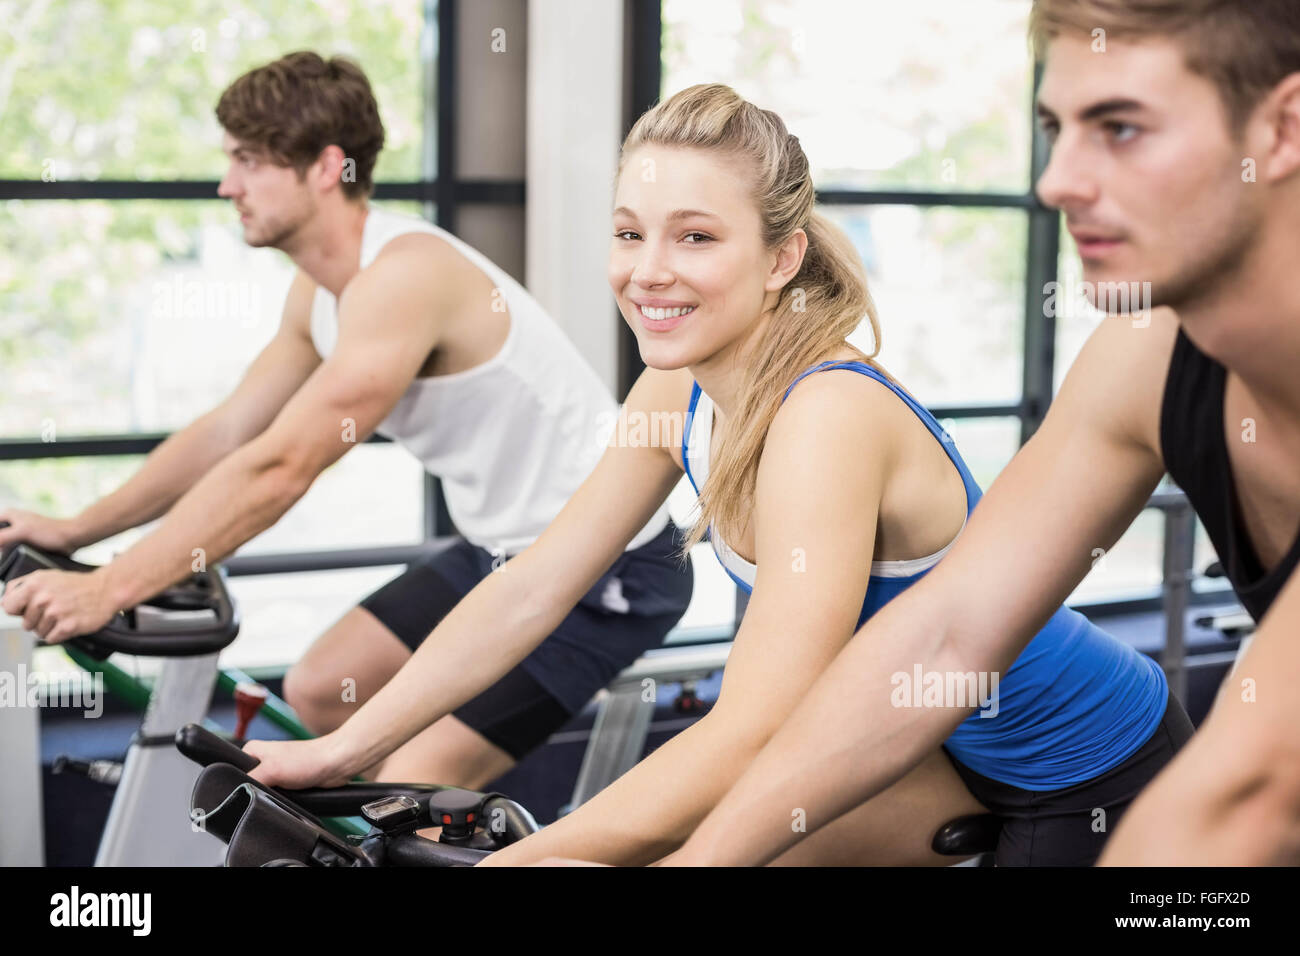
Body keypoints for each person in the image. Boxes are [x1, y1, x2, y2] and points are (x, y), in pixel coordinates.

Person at [242, 82, 1192, 867]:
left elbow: (757, 723)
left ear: (782, 257)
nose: (647, 271)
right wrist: (343, 750)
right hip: (931, 745)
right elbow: (532, 584)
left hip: (1087, 774)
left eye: (694, 237)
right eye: (629, 233)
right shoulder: (674, 392)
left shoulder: (826, 413)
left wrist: (523, 862)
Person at [663, 0, 1300, 867]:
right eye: (1055, 127)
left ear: (1284, 127)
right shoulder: (1143, 358)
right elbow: (945, 631)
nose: (1055, 180)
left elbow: (1251, 795)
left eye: (1118, 127)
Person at [0, 51, 692, 788]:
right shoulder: (323, 289)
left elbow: (283, 467)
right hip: (500, 547)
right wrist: (77, 532)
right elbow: (230, 431)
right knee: (323, 685)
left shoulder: (404, 276)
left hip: (613, 567)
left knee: (408, 784)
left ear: (327, 167)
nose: (226, 184)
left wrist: (110, 588)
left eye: (247, 161)